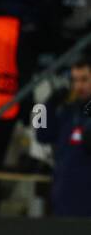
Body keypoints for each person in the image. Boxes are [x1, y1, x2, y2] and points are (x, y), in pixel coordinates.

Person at [36, 59, 91, 218]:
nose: (78, 86)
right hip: (64, 196)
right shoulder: (68, 111)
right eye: (74, 80)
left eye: (84, 79)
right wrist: (49, 104)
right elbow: (42, 135)